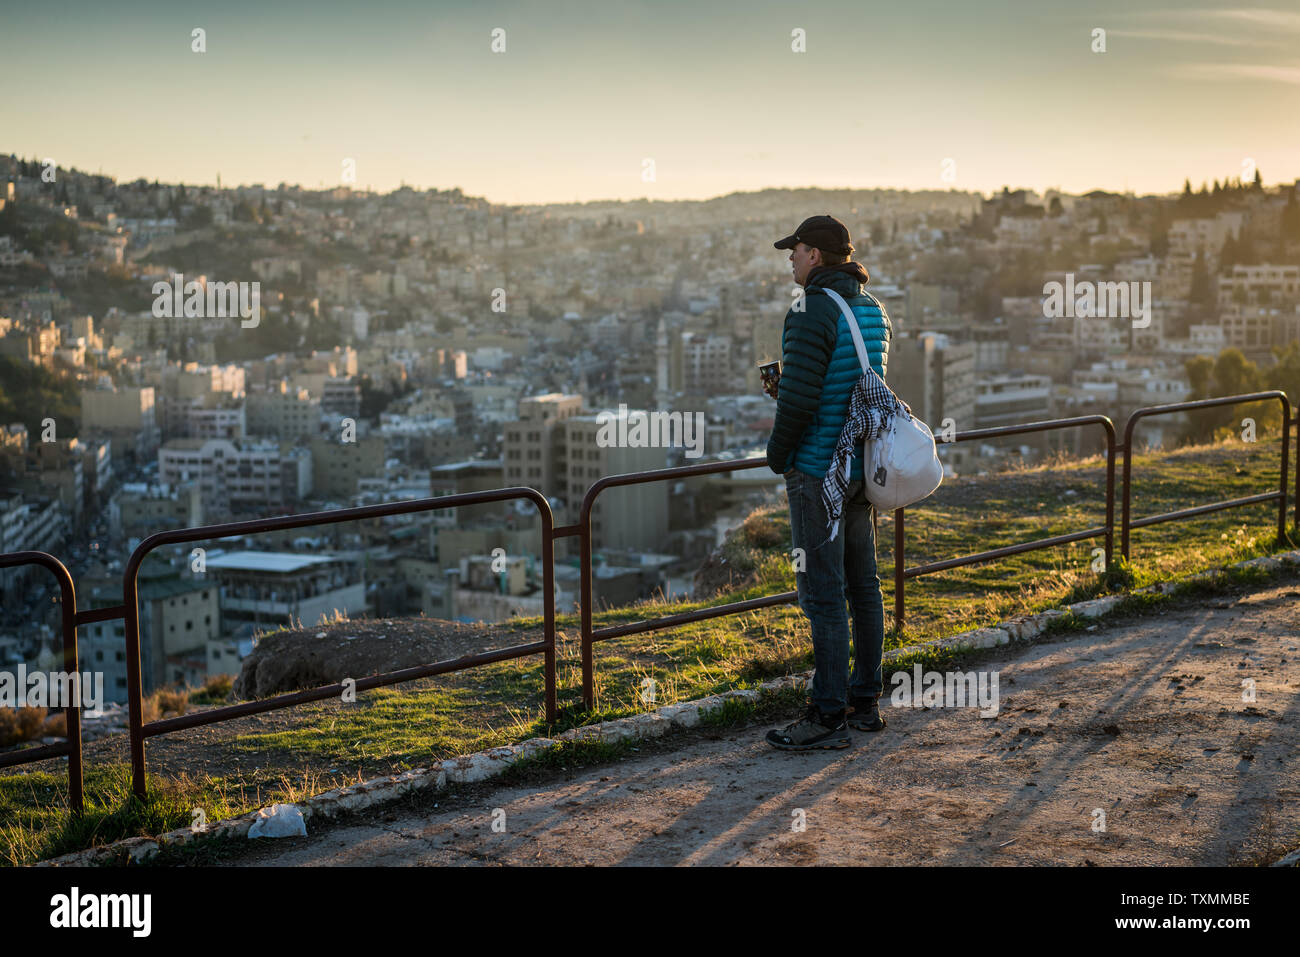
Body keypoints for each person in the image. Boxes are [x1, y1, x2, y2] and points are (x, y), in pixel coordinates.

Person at [763, 214, 892, 751]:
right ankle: (864, 703)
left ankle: (826, 712)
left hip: (818, 470)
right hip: (862, 467)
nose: (789, 258)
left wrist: (778, 456)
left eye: (794, 250)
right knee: (864, 585)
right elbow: (852, 385)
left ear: (815, 254)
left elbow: (802, 399)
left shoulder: (809, 308)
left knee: (822, 592)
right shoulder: (874, 310)